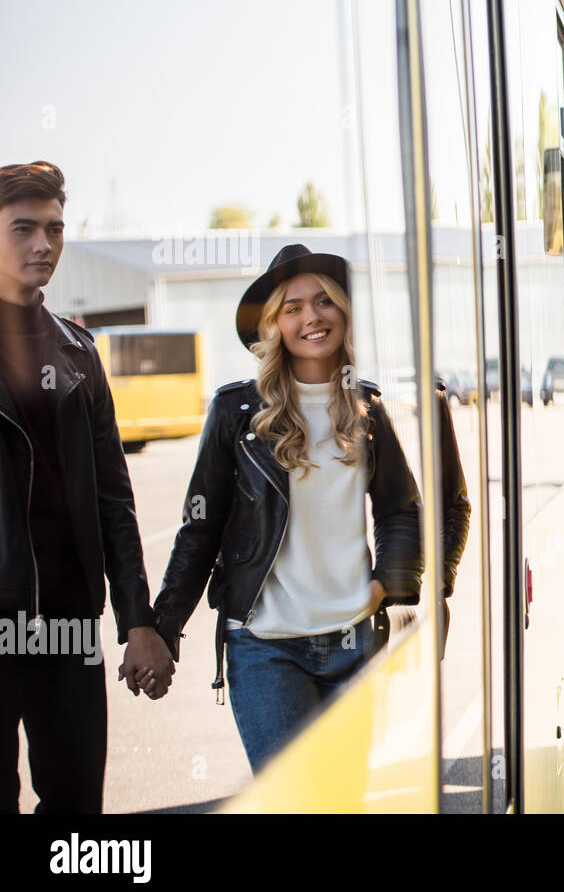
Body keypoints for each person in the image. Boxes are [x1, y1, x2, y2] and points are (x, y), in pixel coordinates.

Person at [150, 244, 470, 772]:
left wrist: (383, 586)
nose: (311, 317)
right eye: (292, 307)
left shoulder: (369, 407)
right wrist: (162, 630)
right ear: (274, 325)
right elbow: (200, 529)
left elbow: (400, 509)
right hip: (265, 648)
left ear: (343, 311)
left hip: (356, 643)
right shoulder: (238, 412)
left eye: (324, 301)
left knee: (345, 803)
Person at [0, 160, 174, 813]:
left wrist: (138, 619)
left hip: (69, 623)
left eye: (54, 229)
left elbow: (112, 496)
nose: (43, 244)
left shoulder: (79, 352)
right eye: (23, 228)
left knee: (76, 809)